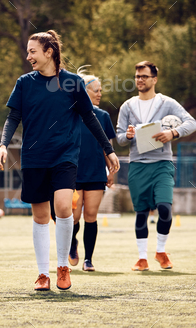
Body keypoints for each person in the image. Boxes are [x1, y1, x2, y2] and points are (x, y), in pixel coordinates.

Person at [0, 30, 120, 292]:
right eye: (28, 51)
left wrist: (108, 150)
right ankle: (43, 274)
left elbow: (89, 117)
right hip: (33, 158)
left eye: (33, 51)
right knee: (40, 216)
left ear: (49, 52)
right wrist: (3, 144)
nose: (28, 56)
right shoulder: (24, 83)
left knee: (64, 208)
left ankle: (62, 266)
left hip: (64, 156)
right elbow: (13, 117)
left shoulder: (74, 82)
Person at [116, 61, 196, 271]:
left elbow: (191, 122)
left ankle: (161, 252)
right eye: (137, 76)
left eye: (144, 76)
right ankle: (142, 258)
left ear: (154, 79)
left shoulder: (167, 103)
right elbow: (119, 138)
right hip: (138, 165)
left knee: (164, 208)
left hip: (162, 164)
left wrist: (172, 133)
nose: (139, 80)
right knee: (141, 212)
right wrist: (127, 135)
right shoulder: (127, 106)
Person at [68, 68, 116, 272]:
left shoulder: (103, 116)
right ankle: (71, 245)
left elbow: (108, 146)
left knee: (91, 216)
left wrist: (111, 171)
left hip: (96, 172)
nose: (99, 94)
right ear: (83, 91)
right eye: (95, 90)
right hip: (73, 174)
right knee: (74, 217)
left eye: (100, 90)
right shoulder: (70, 114)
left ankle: (88, 260)